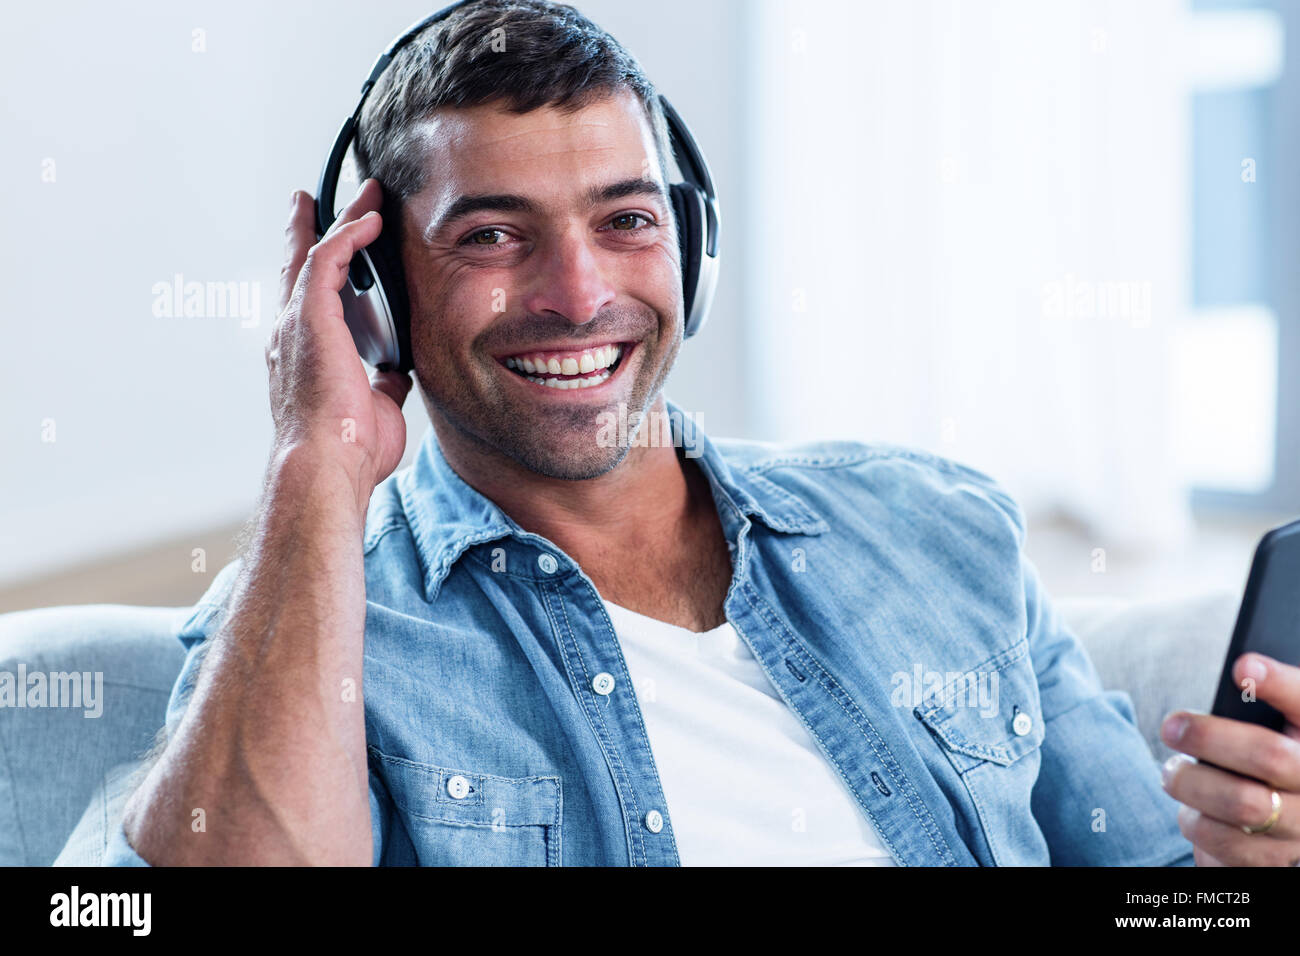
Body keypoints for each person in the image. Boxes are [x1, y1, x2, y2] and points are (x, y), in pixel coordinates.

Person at [109, 0, 1300, 866]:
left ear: (691, 246)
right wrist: (313, 456)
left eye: (623, 218)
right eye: (491, 235)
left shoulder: (942, 529)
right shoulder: (321, 631)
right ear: (372, 291)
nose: (578, 294)